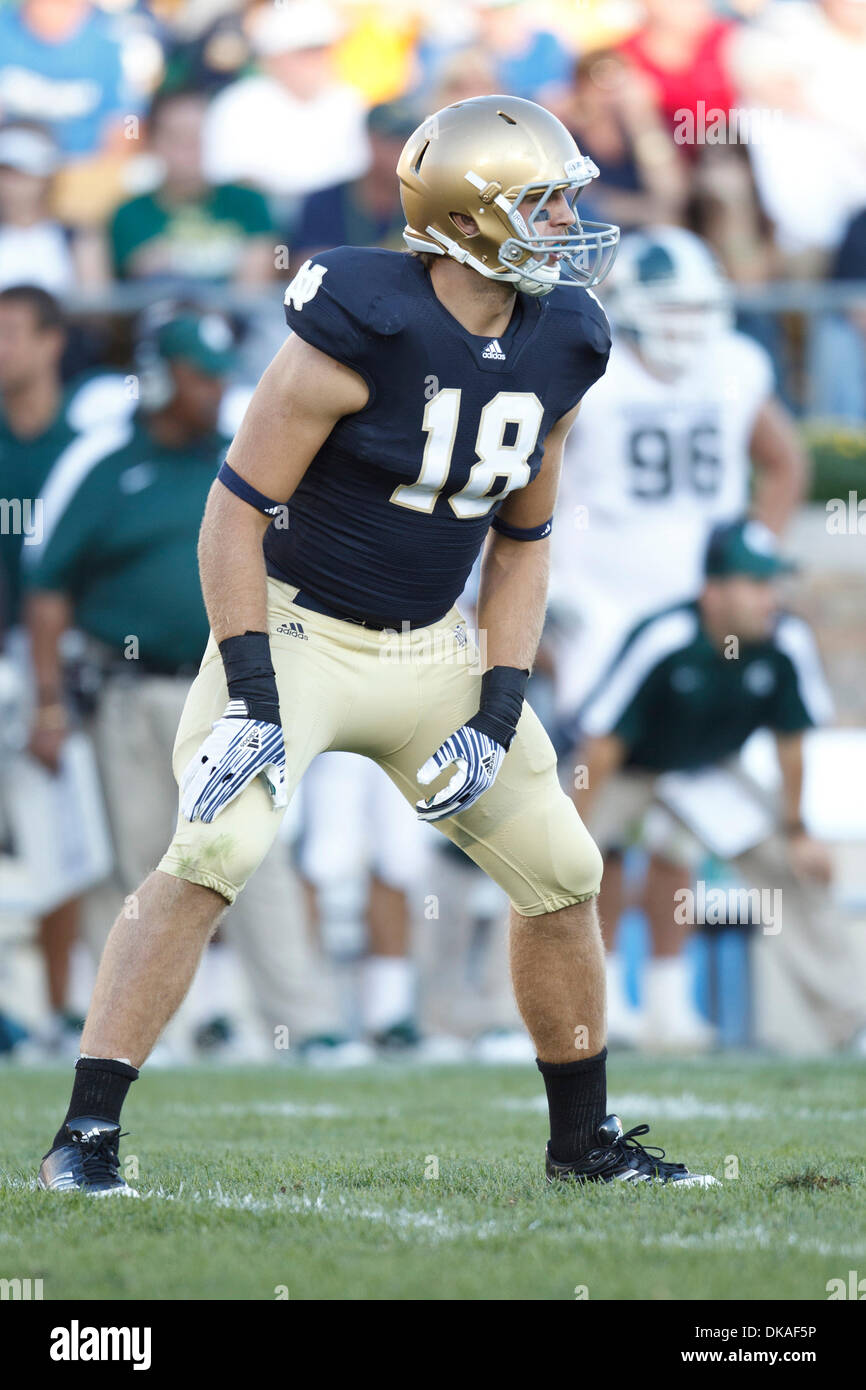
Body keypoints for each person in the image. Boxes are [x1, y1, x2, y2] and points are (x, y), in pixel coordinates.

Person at [37, 94, 718, 1196]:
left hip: (431, 649)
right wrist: (252, 689)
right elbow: (233, 515)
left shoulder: (566, 339)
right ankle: (86, 1136)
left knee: (562, 870)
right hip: (298, 633)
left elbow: (523, 543)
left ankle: (582, 1144)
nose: (562, 225)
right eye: (538, 204)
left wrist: (497, 707)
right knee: (212, 853)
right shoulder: (360, 322)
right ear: (465, 215)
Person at [23, 310, 341, 1062]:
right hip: (129, 690)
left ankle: (305, 1022)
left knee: (256, 849)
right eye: (199, 374)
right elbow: (46, 588)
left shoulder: (245, 450)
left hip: (239, 684)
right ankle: (145, 1032)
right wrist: (45, 701)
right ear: (161, 376)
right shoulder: (102, 460)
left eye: (219, 374)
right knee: (141, 863)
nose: (214, 390)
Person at [549, 227, 808, 1042]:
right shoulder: (592, 367)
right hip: (607, 610)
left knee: (681, 818)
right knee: (605, 814)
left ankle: (665, 996)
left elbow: (785, 461)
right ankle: (606, 996)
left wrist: (752, 558)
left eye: (699, 308)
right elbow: (534, 476)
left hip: (699, 615)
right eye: (670, 308)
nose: (686, 325)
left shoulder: (736, 367)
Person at [573, 519, 866, 1055]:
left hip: (709, 768)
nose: (769, 598)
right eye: (754, 584)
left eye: (771, 583)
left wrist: (800, 830)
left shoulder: (786, 640)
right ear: (712, 591)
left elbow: (791, 742)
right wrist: (574, 830)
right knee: (551, 870)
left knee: (794, 866)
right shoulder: (666, 637)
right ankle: (527, 1018)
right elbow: (602, 742)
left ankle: (848, 1021)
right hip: (628, 769)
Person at [0, 284, 127, 1054]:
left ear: (52, 342)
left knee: (67, 843)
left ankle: (53, 1011)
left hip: (60, 659)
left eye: (14, 331)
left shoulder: (81, 443)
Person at [109, 88, 276, 288]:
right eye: (178, 137)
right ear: (153, 142)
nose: (192, 147)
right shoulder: (129, 214)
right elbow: (140, 275)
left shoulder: (249, 202)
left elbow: (255, 285)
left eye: (200, 135)